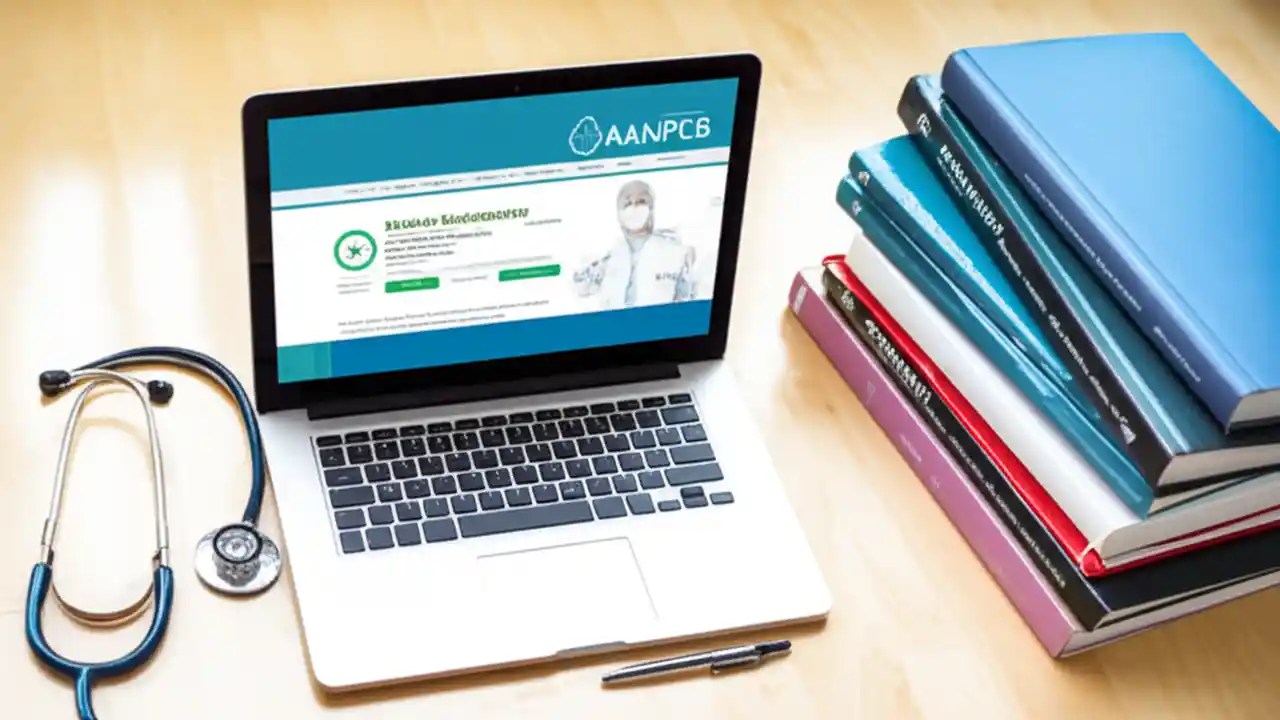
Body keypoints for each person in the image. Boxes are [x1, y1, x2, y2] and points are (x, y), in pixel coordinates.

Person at [573, 180, 697, 309]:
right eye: (628, 203)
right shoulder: (608, 257)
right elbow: (580, 289)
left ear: (652, 208)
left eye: (641, 201)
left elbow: (689, 299)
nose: (634, 208)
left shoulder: (676, 253)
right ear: (619, 213)